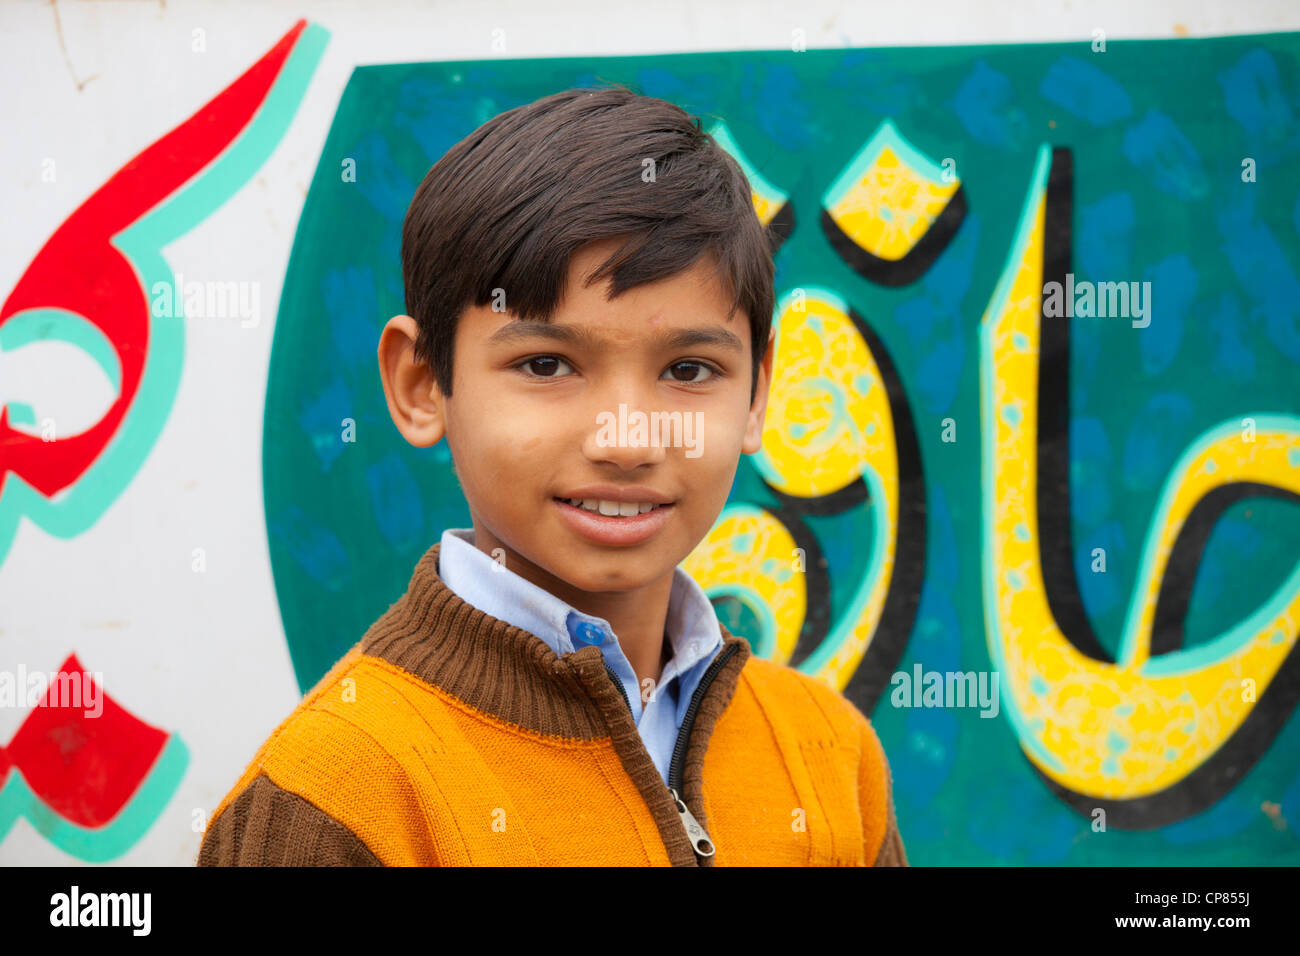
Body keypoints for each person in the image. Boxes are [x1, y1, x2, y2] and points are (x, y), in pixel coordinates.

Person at [197, 85, 906, 866]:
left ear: (757, 394)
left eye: (689, 369)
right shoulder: (340, 797)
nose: (627, 438)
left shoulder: (829, 761)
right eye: (547, 364)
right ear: (422, 383)